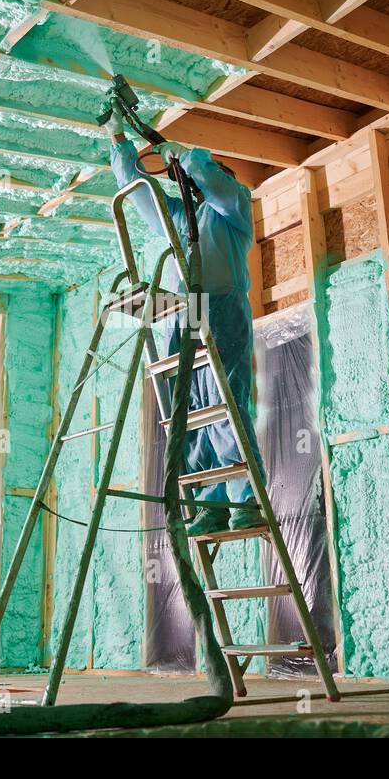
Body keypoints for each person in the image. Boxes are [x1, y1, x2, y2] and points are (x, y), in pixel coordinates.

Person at [105, 102, 265, 535]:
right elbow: (141, 195)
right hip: (186, 312)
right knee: (189, 407)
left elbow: (218, 185)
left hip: (223, 309)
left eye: (202, 180)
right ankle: (209, 502)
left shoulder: (232, 210)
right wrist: (119, 140)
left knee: (226, 403)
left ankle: (246, 499)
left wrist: (190, 156)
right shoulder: (180, 216)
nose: (196, 186)